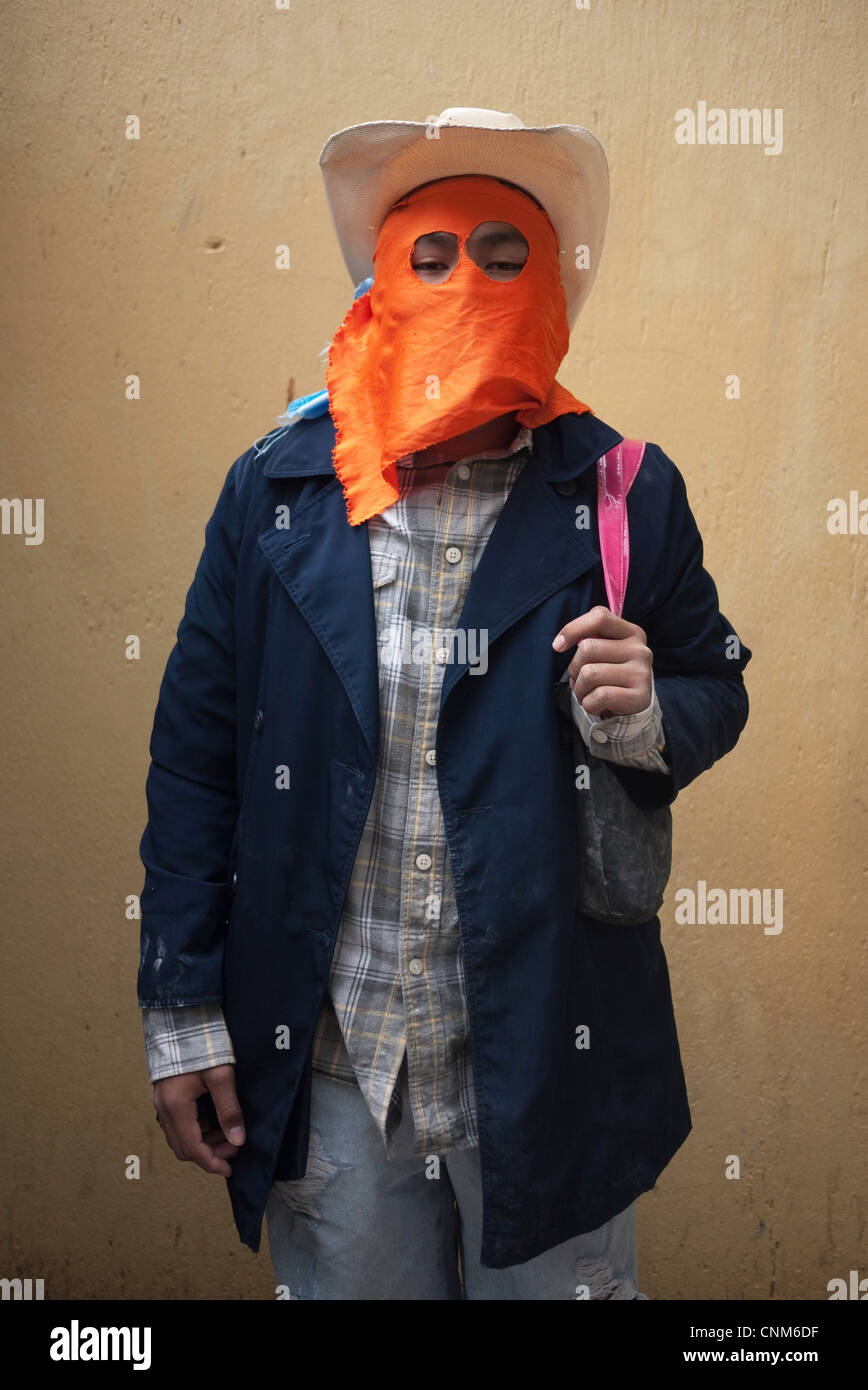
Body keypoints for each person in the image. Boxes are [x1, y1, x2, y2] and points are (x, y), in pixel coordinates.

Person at [138, 107, 751, 1300]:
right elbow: (196, 757)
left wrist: (646, 712)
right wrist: (182, 1008)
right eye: (430, 254)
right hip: (334, 1064)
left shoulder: (622, 487)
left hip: (545, 1055)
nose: (467, 279)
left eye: (503, 252)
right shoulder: (277, 491)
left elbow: (712, 683)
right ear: (379, 280)